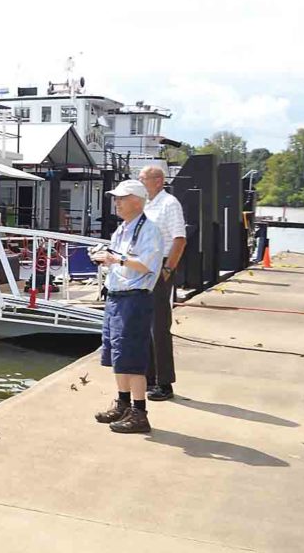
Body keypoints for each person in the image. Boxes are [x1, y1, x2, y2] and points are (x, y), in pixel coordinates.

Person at [91, 179, 164, 434]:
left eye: (121, 198)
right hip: (117, 296)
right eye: (117, 198)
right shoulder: (122, 228)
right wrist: (106, 260)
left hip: (134, 297)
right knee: (117, 353)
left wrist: (117, 258)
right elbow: (120, 260)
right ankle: (123, 403)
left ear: (136, 200)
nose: (117, 203)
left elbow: (146, 264)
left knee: (132, 356)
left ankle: (140, 412)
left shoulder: (149, 230)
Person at [139, 165, 187, 401]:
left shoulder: (170, 204)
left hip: (161, 264)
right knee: (145, 321)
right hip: (146, 264)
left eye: (143, 178)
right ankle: (149, 376)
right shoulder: (147, 204)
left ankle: (165, 382)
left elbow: (180, 238)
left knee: (159, 324)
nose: (140, 181)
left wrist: (169, 269)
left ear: (158, 181)